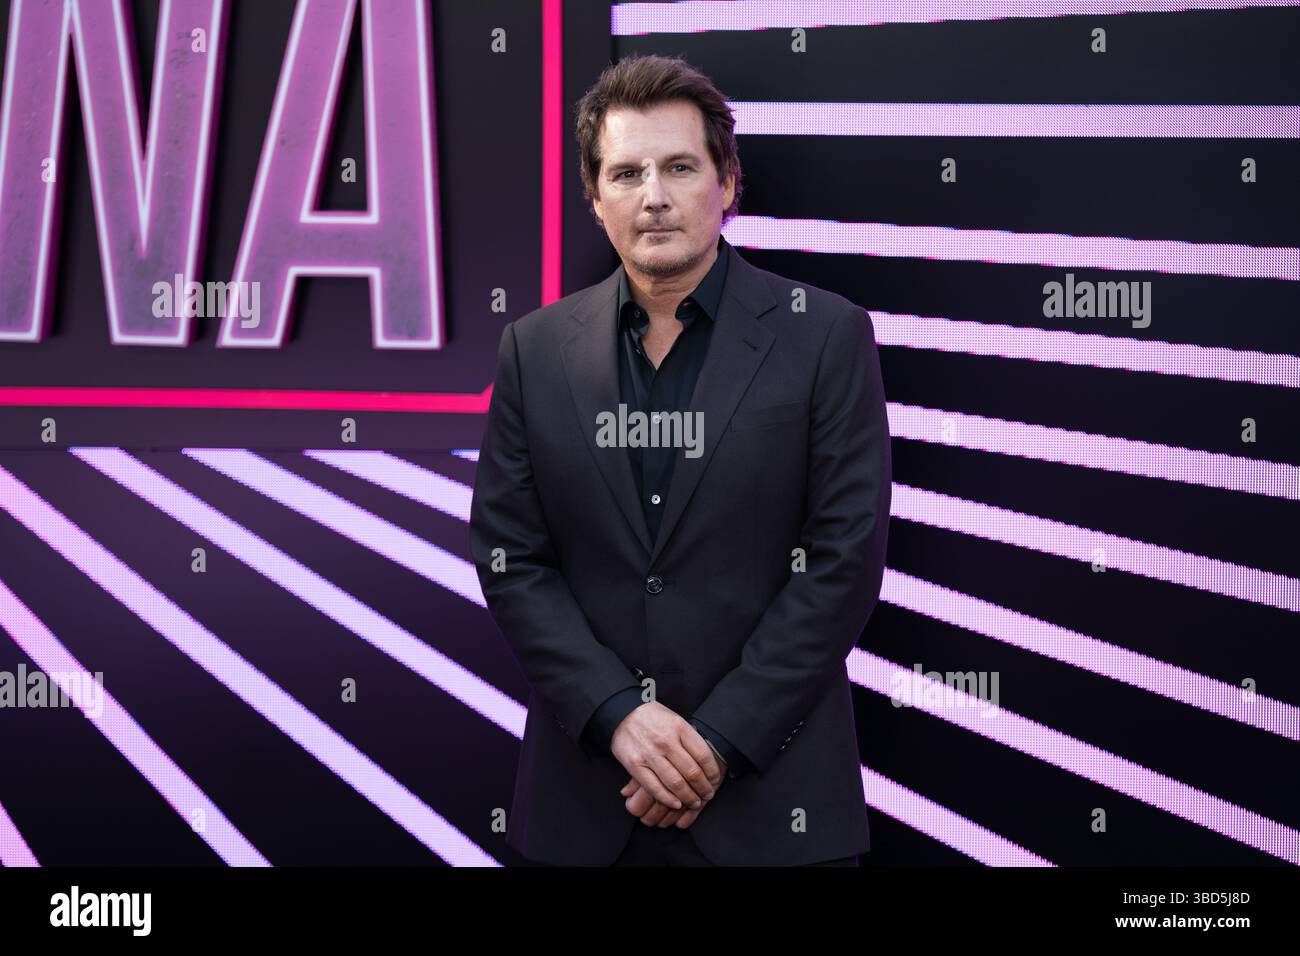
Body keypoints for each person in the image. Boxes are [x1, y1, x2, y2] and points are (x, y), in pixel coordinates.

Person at [468, 53, 891, 866]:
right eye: (625, 173)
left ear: (729, 182)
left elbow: (842, 561)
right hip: (588, 807)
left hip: (775, 812)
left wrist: (718, 741)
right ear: (594, 200)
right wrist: (618, 714)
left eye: (679, 167)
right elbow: (512, 558)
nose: (653, 196)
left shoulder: (825, 336)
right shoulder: (534, 349)